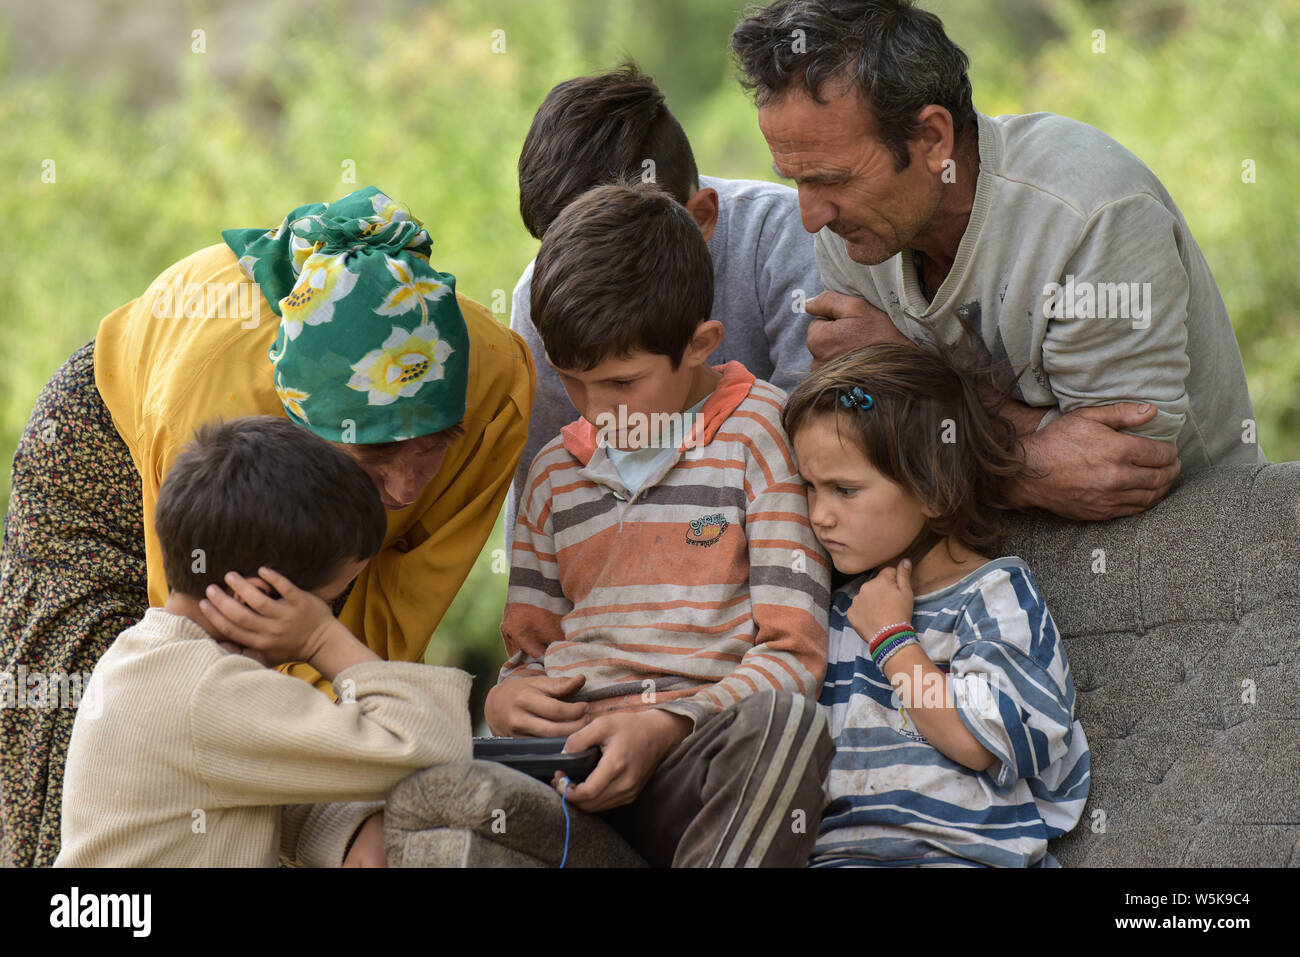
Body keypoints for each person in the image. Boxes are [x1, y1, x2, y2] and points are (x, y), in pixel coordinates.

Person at [0, 185, 533, 867]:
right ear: (302, 427)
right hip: (110, 468)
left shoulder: (491, 377)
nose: (404, 489)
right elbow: (234, 658)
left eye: (431, 446)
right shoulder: (214, 400)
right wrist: (317, 638)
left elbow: (368, 653)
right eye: (375, 456)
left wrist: (351, 821)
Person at [730, 0, 1266, 522]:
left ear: (933, 138)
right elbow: (854, 449)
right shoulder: (855, 229)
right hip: (982, 553)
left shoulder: (1089, 215)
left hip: (1182, 549)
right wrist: (1031, 462)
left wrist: (909, 373)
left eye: (833, 178)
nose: (811, 216)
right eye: (797, 180)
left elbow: (1113, 478)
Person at [488, 182, 833, 867]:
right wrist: (508, 700)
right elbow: (527, 656)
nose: (595, 409)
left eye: (622, 383)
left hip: (695, 754)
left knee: (787, 726)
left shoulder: (761, 431)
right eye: (574, 382)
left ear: (701, 344)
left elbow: (794, 654)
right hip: (574, 762)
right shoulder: (555, 472)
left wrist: (664, 724)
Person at [54, 417, 472, 867]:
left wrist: (354, 833)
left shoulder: (142, 657)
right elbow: (430, 745)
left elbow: (276, 798)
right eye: (323, 604)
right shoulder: (209, 690)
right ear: (256, 598)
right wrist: (319, 639)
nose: (326, 618)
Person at [783, 344, 1090, 867]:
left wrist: (893, 642)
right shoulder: (831, 609)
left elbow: (978, 741)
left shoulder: (993, 596)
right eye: (810, 488)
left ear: (934, 491)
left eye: (844, 490)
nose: (820, 516)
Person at [506, 62, 819, 546]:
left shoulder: (782, 240)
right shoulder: (541, 296)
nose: (577, 278)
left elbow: (821, 452)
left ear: (702, 218)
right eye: (560, 250)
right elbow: (546, 500)